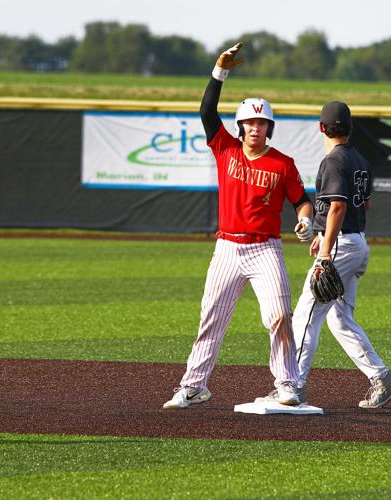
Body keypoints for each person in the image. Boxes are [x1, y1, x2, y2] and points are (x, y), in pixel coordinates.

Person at [163, 42, 314, 410]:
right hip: (227, 247)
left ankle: (287, 385)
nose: (254, 128)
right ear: (240, 125)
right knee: (211, 318)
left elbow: (301, 200)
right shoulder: (225, 148)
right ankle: (194, 386)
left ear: (269, 127)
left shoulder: (282, 163)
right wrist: (219, 71)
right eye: (249, 122)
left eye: (261, 122)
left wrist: (306, 220)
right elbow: (205, 112)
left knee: (279, 316)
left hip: (265, 248)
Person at [260, 101, 391, 409]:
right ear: (350, 129)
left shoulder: (332, 161)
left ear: (321, 128)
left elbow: (338, 206)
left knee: (305, 316)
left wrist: (326, 250)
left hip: (339, 247)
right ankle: (383, 379)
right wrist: (326, 233)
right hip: (356, 242)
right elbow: (362, 206)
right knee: (339, 319)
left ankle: (292, 386)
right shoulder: (360, 160)